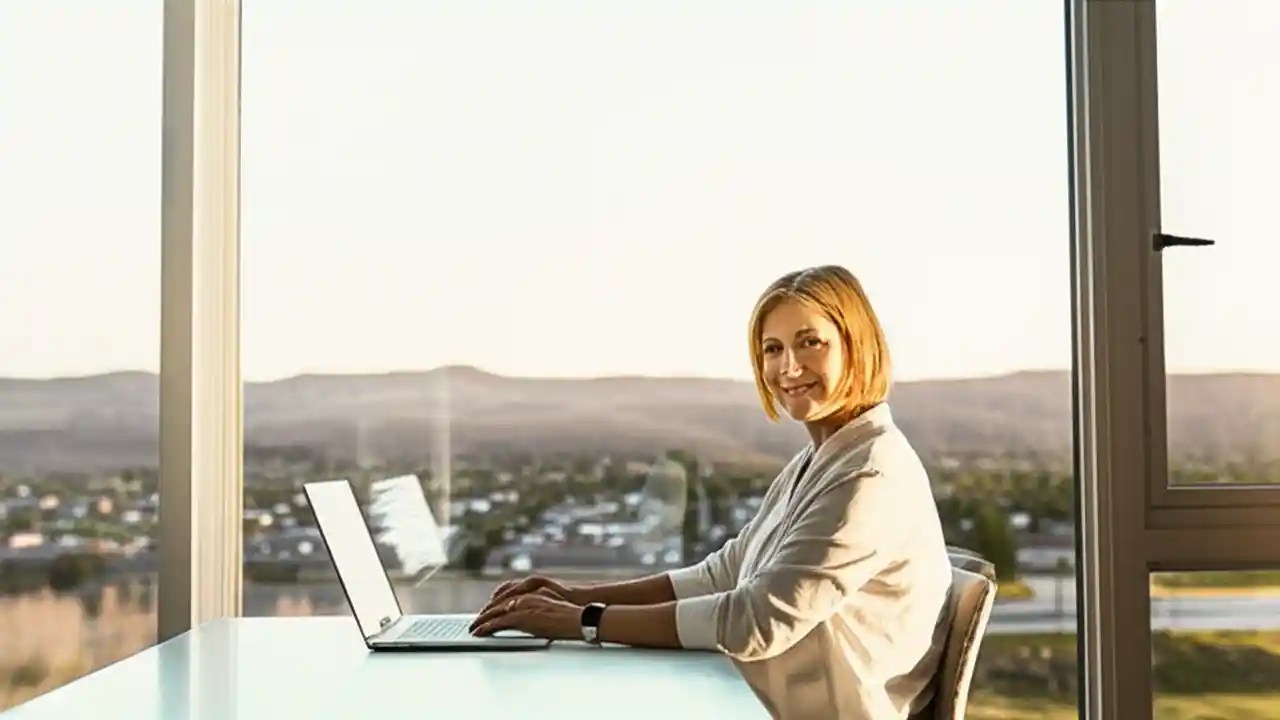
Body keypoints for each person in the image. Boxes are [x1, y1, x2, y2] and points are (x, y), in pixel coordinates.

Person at [470, 265, 953, 719]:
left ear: (856, 346)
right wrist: (573, 598)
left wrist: (583, 622)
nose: (789, 366)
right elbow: (721, 574)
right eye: (772, 349)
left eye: (810, 343)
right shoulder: (822, 460)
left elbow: (754, 622)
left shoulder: (869, 476)